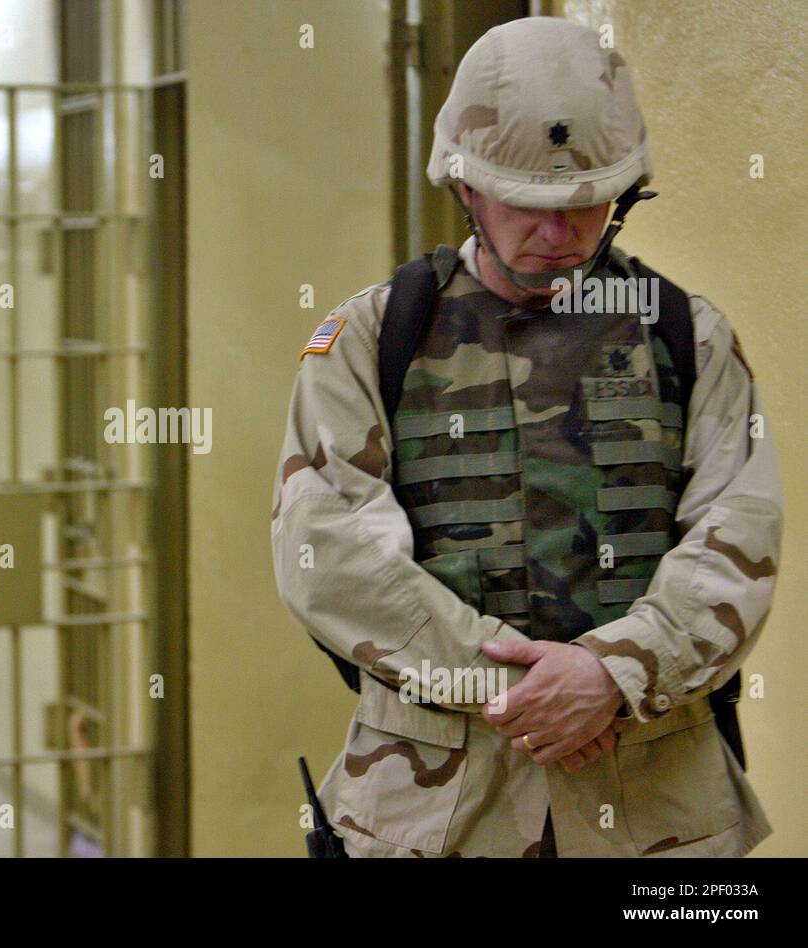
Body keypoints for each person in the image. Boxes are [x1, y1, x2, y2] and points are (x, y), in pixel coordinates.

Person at [270, 16, 783, 857]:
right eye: (529, 205)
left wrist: (615, 674)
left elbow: (739, 533)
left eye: (587, 206)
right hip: (435, 812)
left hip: (657, 814)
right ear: (465, 186)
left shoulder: (687, 335)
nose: (559, 236)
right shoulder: (373, 335)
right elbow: (323, 549)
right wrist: (528, 691)